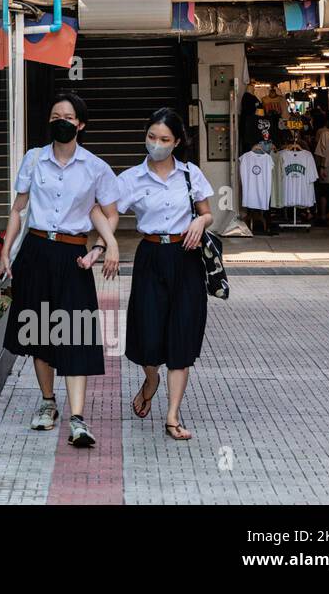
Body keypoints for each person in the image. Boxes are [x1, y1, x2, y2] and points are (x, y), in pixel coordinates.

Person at [0, 92, 121, 448]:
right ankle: (48, 403)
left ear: (81, 124)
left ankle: (78, 419)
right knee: (40, 331)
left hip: (73, 255)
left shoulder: (95, 167)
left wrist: (100, 246)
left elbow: (109, 214)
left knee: (76, 331)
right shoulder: (34, 160)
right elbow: (18, 209)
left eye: (68, 116)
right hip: (35, 250)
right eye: (55, 116)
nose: (61, 121)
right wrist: (6, 252)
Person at [116, 109, 214, 442]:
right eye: (152, 137)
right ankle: (150, 378)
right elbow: (109, 214)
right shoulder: (131, 178)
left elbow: (208, 213)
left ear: (177, 142)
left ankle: (172, 416)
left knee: (182, 334)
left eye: (164, 140)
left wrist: (201, 222)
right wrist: (103, 247)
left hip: (186, 258)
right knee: (147, 333)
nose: (156, 144)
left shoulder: (190, 174)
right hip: (150, 257)